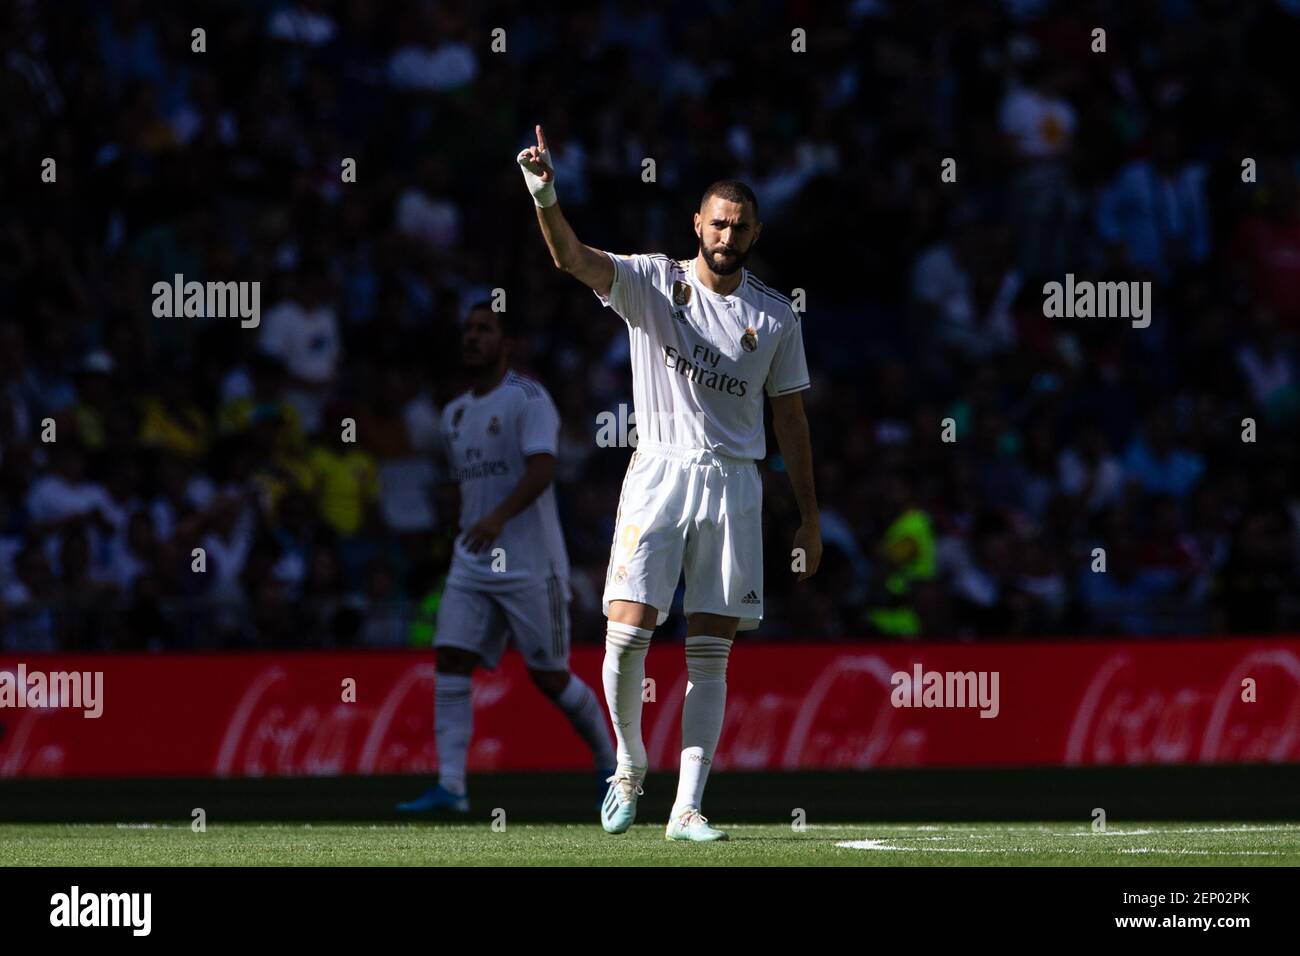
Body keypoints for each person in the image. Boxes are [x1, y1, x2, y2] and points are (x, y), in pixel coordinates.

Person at [518, 124, 822, 841]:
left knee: (710, 649)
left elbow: (793, 422)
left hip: (734, 484)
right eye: (717, 222)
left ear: (755, 232)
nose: (727, 233)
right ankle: (627, 765)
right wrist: (543, 192)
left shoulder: (776, 316)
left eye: (740, 225)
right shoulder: (653, 280)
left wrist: (808, 517)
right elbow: (570, 258)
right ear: (697, 223)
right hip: (659, 469)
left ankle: (687, 807)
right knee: (625, 636)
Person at [397, 302, 614, 814]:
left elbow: (543, 469)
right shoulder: (453, 415)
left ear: (506, 344)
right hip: (472, 562)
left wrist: (497, 517)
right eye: (468, 330)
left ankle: (612, 764)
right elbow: (464, 487)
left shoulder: (528, 399)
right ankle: (451, 787)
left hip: (530, 564)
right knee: (450, 657)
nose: (472, 338)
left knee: (549, 676)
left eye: (484, 330)